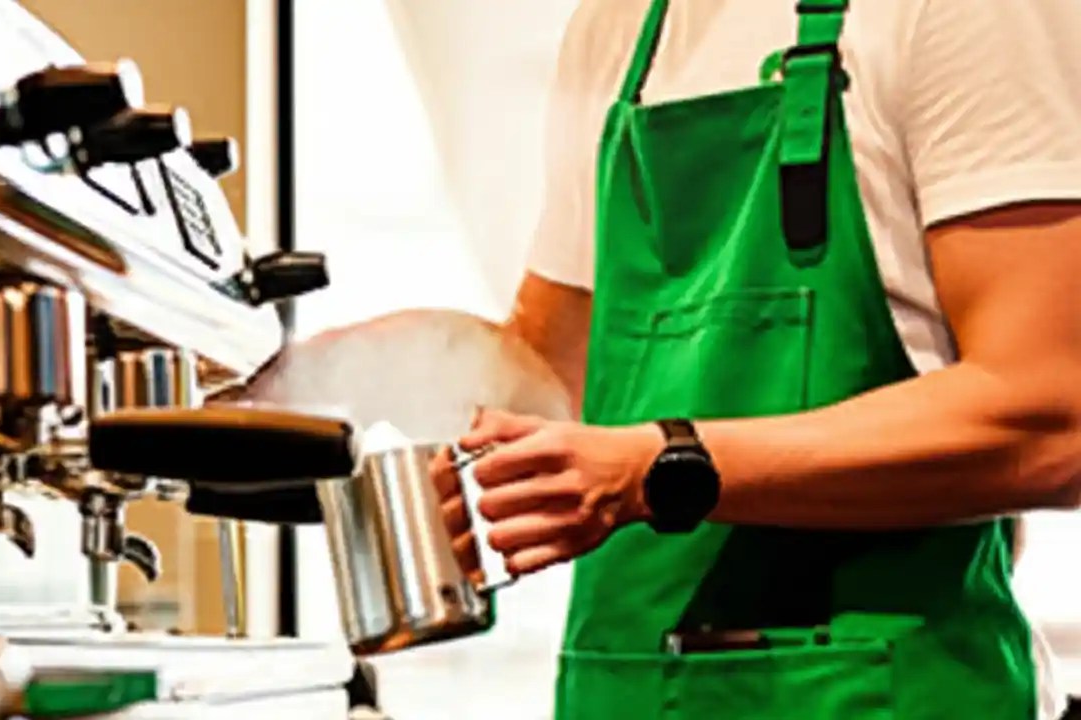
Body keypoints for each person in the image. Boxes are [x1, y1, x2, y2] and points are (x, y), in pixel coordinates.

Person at [415, 1, 1081, 718]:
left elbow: (1052, 422)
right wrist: (352, 406)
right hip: (627, 690)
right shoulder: (620, 25)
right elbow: (553, 377)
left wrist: (661, 471)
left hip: (875, 696)